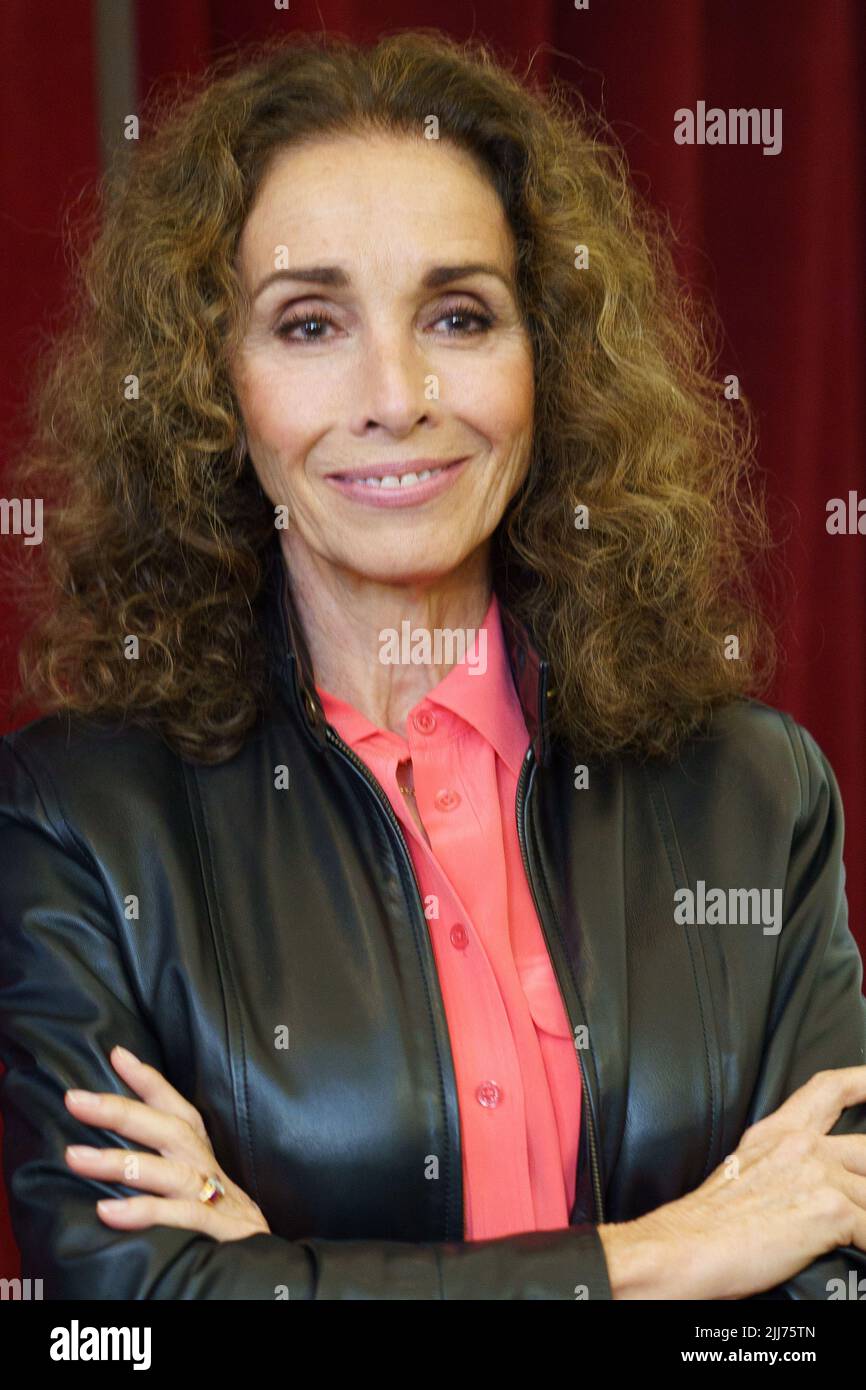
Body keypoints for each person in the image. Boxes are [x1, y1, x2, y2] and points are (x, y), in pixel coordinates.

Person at [0, 29, 864, 1302]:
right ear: (211, 387)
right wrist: (663, 1256)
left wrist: (283, 1275)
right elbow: (120, 1317)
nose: (396, 394)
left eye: (457, 315)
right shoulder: (78, 819)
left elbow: (823, 1288)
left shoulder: (753, 792)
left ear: (546, 357)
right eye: (309, 324)